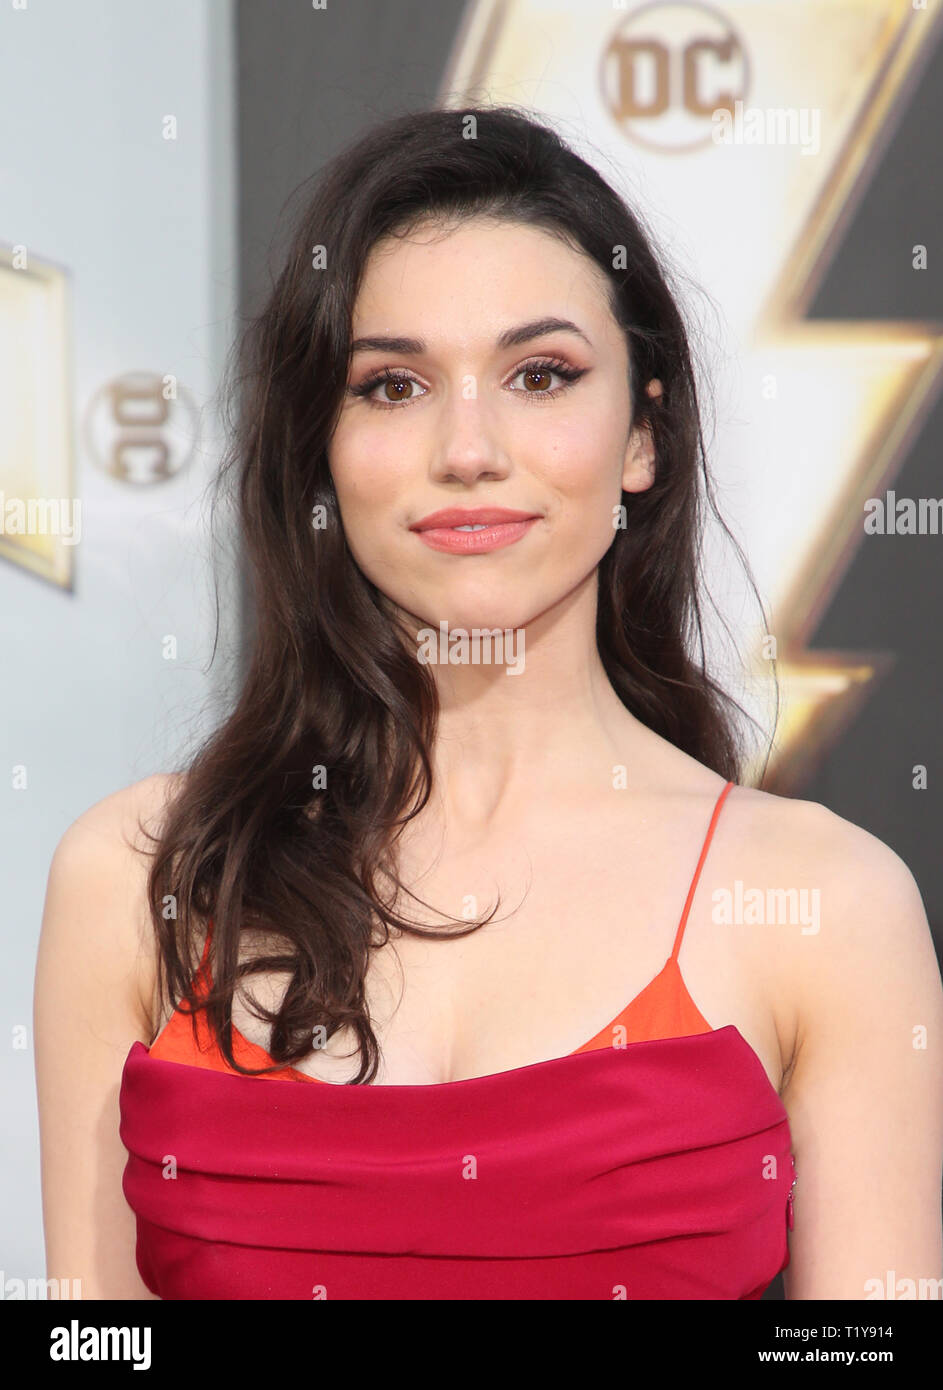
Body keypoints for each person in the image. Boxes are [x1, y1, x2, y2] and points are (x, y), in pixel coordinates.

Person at [34, 105, 943, 1300]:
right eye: (395, 384)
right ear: (320, 448)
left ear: (641, 439)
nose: (468, 447)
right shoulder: (142, 874)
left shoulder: (827, 905)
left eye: (541, 375)